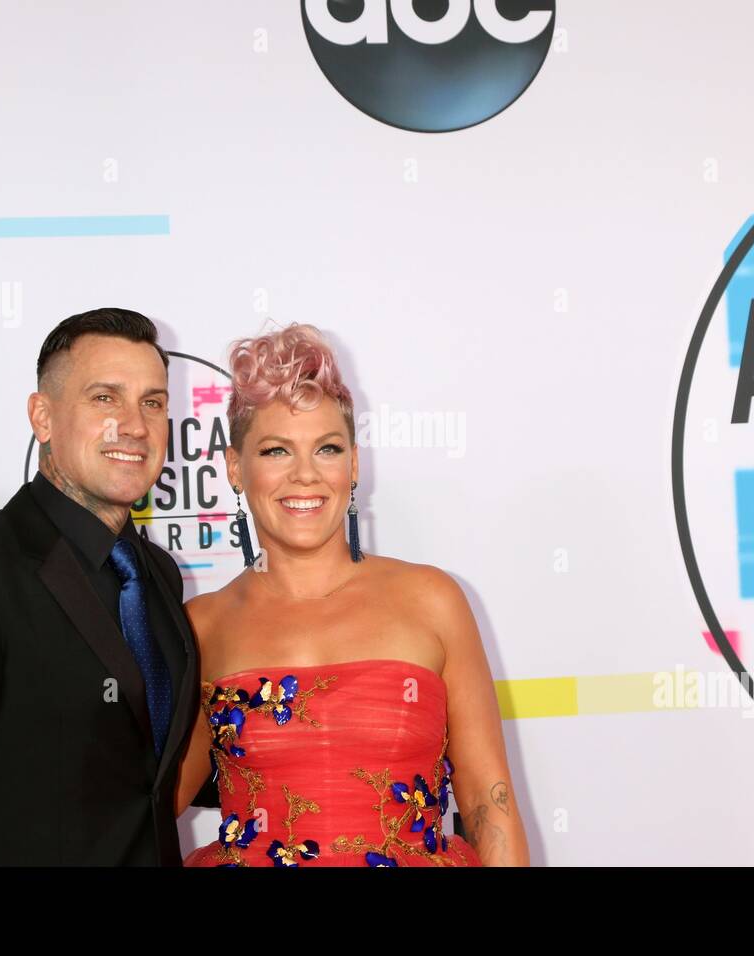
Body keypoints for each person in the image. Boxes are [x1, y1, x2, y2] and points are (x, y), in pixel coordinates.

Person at [0, 307, 218, 865]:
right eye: (104, 398)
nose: (134, 425)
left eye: (153, 403)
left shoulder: (158, 573)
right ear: (43, 417)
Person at [176, 323, 527, 866]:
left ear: (354, 464)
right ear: (234, 468)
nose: (305, 475)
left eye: (327, 448)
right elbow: (145, 807)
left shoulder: (434, 601)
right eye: (276, 450)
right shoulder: (201, 626)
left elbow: (489, 803)